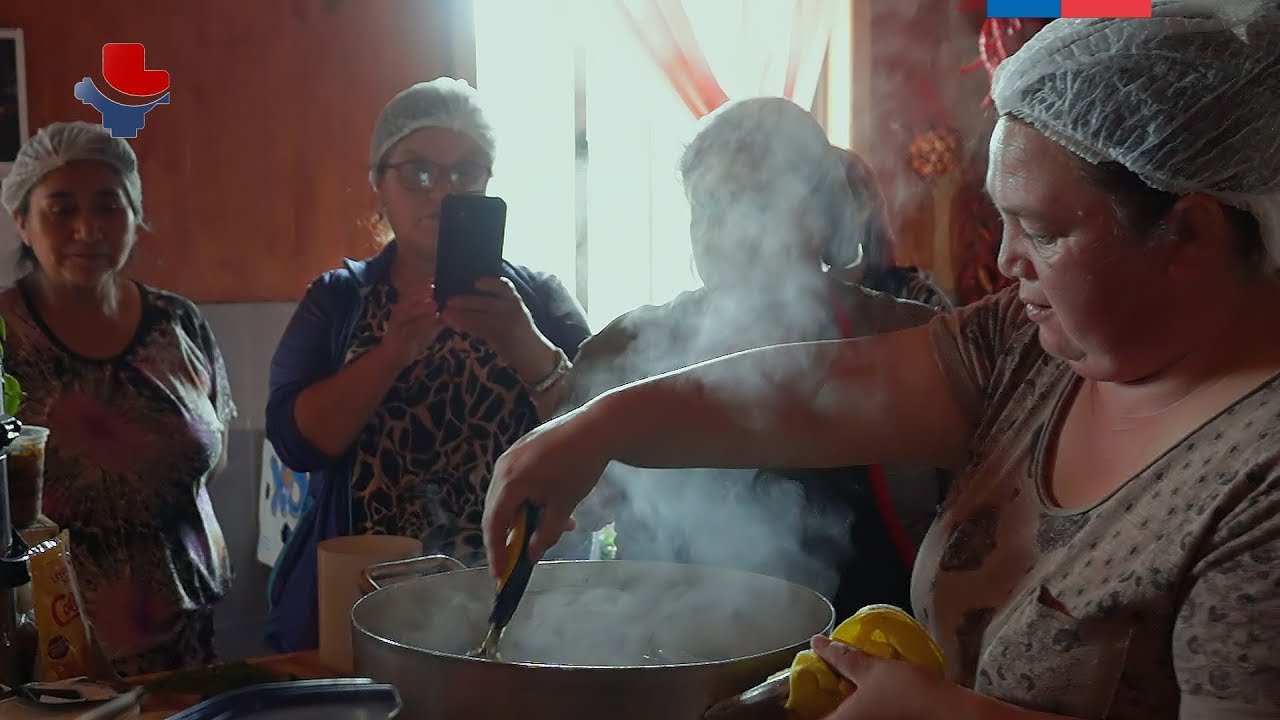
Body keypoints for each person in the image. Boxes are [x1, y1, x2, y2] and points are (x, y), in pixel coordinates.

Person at [483, 4, 1280, 718]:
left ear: (1192, 232)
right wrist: (602, 423)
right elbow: (814, 392)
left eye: (1040, 229)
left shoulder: (1259, 478)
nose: (1004, 261)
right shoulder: (1026, 346)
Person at [558, 96, 947, 616]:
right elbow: (572, 516)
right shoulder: (627, 349)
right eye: (707, 207)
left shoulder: (906, 340)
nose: (725, 233)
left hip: (866, 666)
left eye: (754, 203)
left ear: (820, 216)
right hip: (672, 656)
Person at [263, 77, 590, 652]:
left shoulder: (536, 299)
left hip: (517, 593)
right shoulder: (339, 301)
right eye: (417, 172)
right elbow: (298, 441)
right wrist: (388, 357)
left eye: (464, 171)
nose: (441, 191)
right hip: (364, 596)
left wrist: (524, 344)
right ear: (378, 184)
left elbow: (603, 436)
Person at [0, 121, 236, 675]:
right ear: (22, 222)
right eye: (61, 208)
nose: (89, 229)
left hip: (187, 639)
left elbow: (213, 456)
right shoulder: (2, 335)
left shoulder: (178, 323)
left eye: (109, 205)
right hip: (47, 650)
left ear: (134, 215)